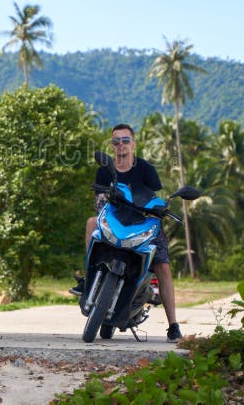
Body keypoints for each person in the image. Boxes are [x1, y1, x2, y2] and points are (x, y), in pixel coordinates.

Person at [70, 123, 182, 342]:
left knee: (163, 265)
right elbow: (100, 203)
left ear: (134, 144)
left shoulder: (146, 170)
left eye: (125, 140)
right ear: (112, 146)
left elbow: (154, 200)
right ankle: (89, 276)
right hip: (114, 219)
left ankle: (173, 325)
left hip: (141, 221)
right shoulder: (105, 170)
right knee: (91, 222)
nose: (120, 144)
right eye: (116, 141)